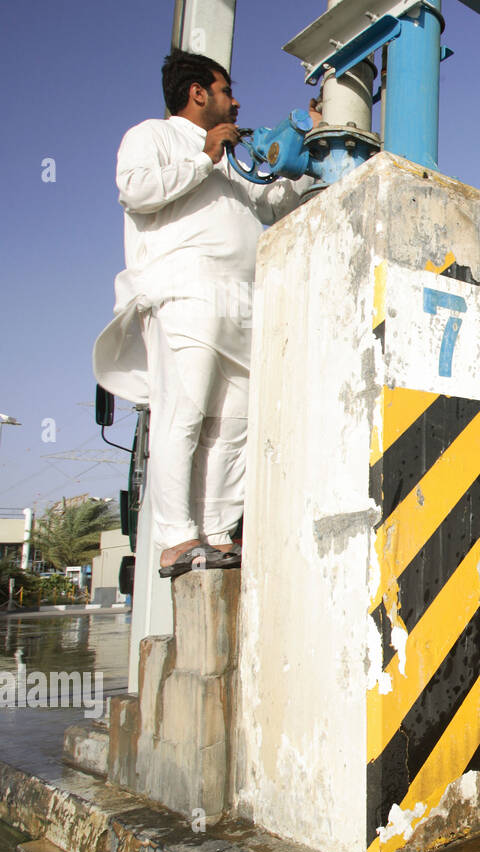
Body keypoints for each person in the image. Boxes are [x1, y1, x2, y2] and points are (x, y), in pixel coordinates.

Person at [93, 51, 318, 578]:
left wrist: (311, 143)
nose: (235, 101)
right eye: (225, 90)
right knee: (185, 414)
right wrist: (203, 155)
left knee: (232, 424)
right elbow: (137, 190)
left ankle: (215, 533)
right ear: (198, 93)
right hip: (183, 296)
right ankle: (176, 539)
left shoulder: (232, 162)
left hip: (240, 307)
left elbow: (275, 204)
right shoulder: (154, 136)